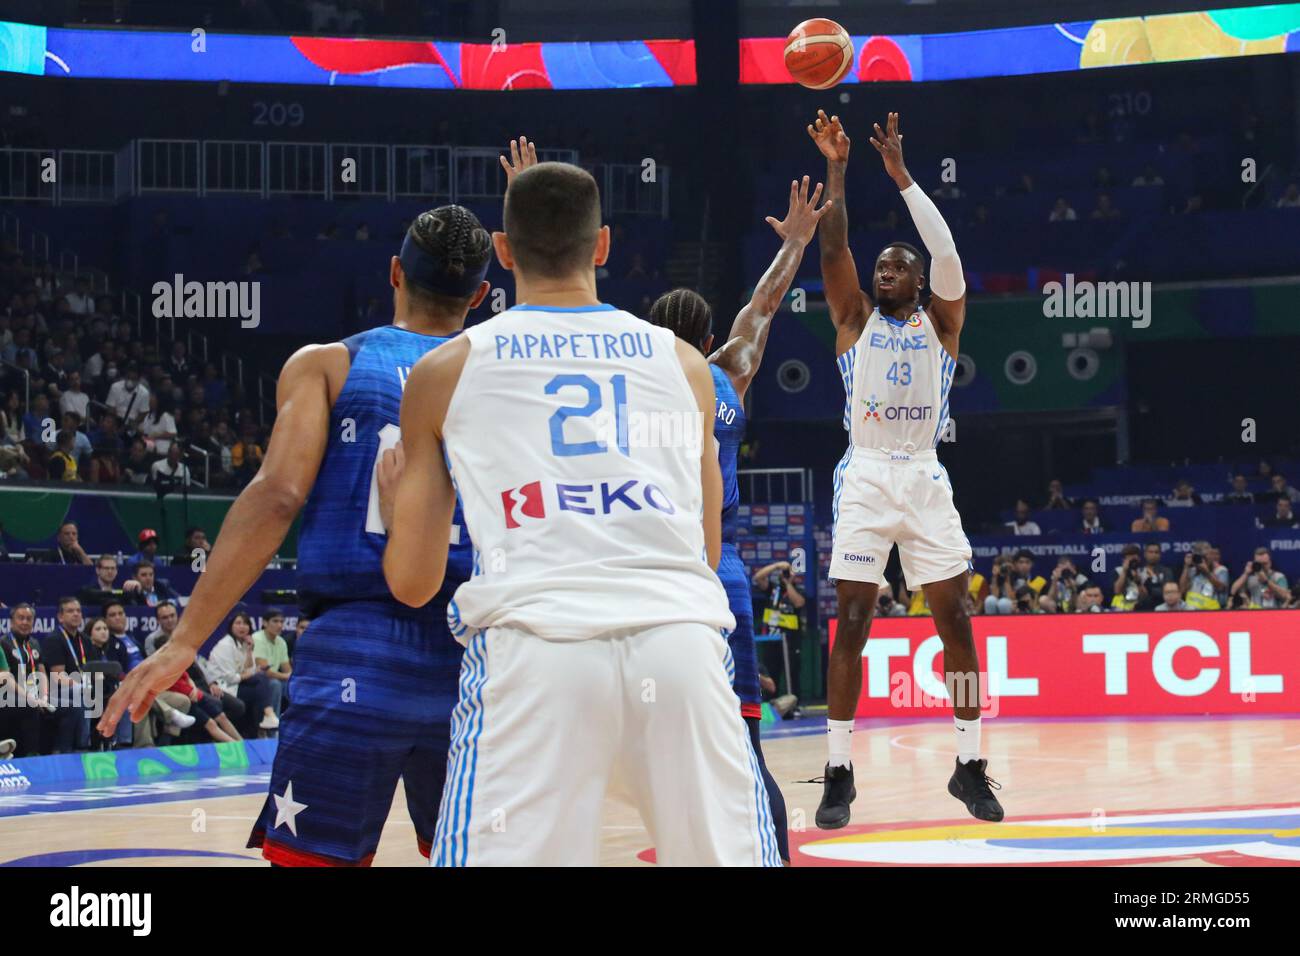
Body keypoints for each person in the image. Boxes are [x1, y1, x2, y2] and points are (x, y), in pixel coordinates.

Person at [382, 160, 780, 865]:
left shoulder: (443, 372)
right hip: (681, 647)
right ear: (602, 245)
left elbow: (413, 583)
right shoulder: (686, 366)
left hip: (535, 656)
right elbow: (707, 550)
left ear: (502, 252)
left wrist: (396, 506)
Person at [100, 199, 492, 868]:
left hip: (354, 649)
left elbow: (278, 495)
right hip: (479, 656)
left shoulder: (330, 365)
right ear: (482, 295)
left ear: (395, 273)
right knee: (480, 857)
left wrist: (186, 639)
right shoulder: (507, 377)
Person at [807, 109, 1002, 827]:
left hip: (923, 475)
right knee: (852, 619)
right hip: (864, 476)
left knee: (956, 619)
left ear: (919, 284)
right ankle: (837, 769)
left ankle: (969, 764)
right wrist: (838, 166)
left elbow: (946, 253)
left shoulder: (942, 325)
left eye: (897, 267)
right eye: (880, 265)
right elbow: (834, 249)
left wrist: (901, 177)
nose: (883, 271)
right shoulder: (853, 320)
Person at [643, 175, 828, 865]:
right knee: (743, 745)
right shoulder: (730, 371)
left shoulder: (631, 380)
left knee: (651, 747)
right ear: (712, 337)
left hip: (652, 564)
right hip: (719, 570)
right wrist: (799, 242)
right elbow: (766, 305)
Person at [207, 611, 279, 734]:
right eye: (238, 623)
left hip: (236, 685)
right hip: (223, 687)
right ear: (231, 626)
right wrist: (253, 672)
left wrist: (250, 650)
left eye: (245, 623)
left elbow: (248, 669)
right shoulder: (225, 645)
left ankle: (264, 724)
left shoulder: (244, 643)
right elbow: (231, 678)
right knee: (259, 686)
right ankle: (265, 721)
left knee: (264, 682)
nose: (242, 627)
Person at [252, 609, 292, 717]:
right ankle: (273, 727)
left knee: (294, 685)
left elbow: (287, 669)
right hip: (257, 680)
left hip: (276, 678)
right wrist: (287, 676)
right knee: (275, 685)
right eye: (275, 621)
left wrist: (290, 676)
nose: (279, 625)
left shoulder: (281, 642)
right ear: (265, 623)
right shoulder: (257, 639)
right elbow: (266, 672)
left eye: (281, 622)